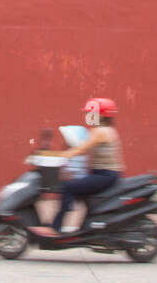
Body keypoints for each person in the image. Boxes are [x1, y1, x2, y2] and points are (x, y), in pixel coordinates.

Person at [34, 97, 125, 234]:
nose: (87, 115)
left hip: (106, 175)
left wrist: (58, 157)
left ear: (100, 115)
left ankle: (55, 227)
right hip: (101, 173)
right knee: (75, 185)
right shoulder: (103, 129)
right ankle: (85, 227)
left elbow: (81, 149)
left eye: (90, 113)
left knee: (68, 187)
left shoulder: (101, 132)